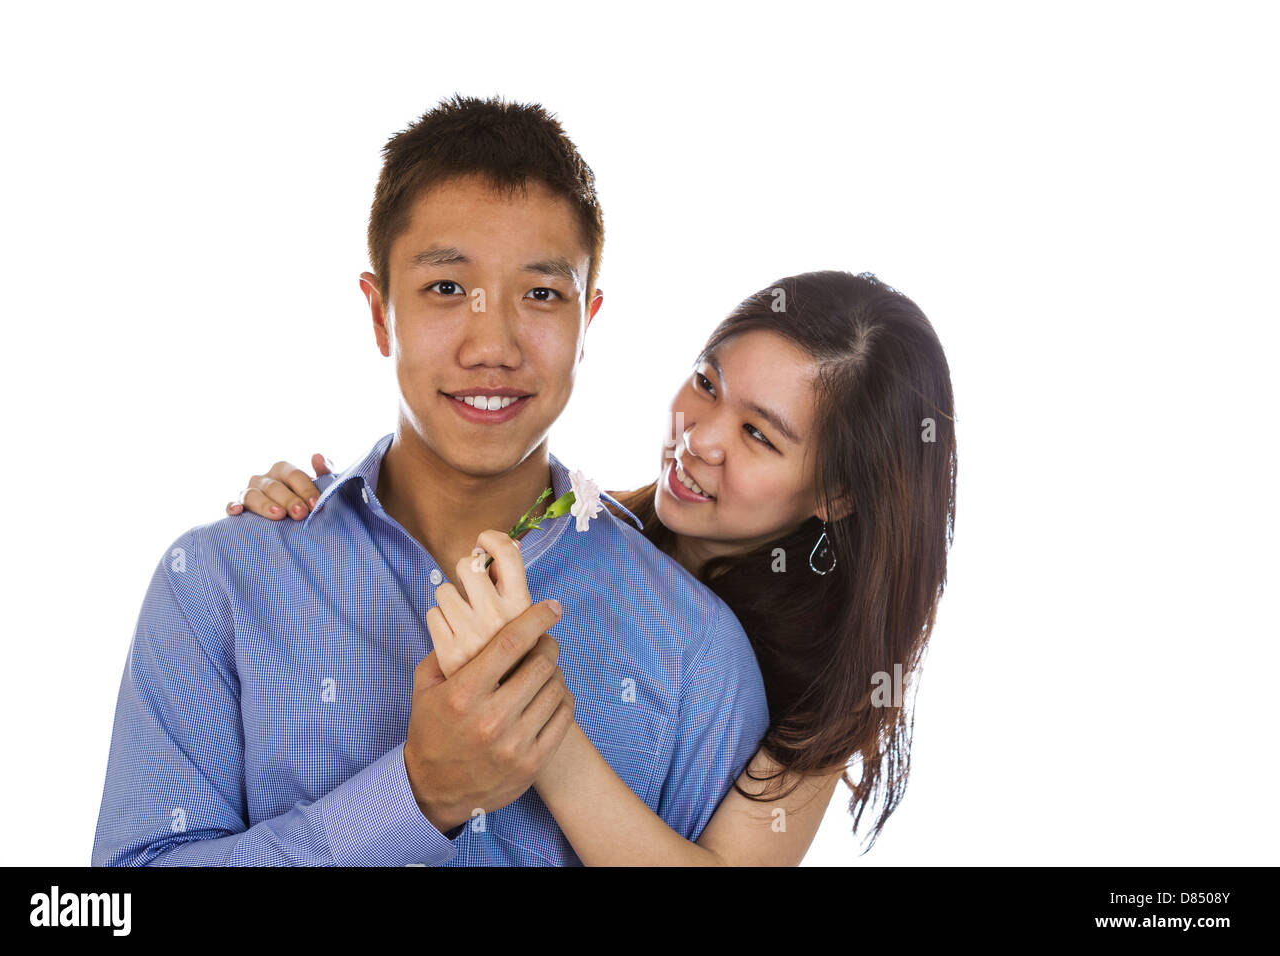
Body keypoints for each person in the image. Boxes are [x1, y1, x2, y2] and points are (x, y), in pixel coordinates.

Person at [90, 94, 770, 867]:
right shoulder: (217, 584)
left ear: (590, 324)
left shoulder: (695, 647)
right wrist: (416, 795)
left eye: (542, 294)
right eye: (447, 288)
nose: (494, 344)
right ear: (380, 313)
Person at [229, 269, 958, 863]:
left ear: (836, 496)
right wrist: (319, 510)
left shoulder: (825, 679)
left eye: (758, 436)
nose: (699, 439)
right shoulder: (579, 526)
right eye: (707, 383)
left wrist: (528, 715)